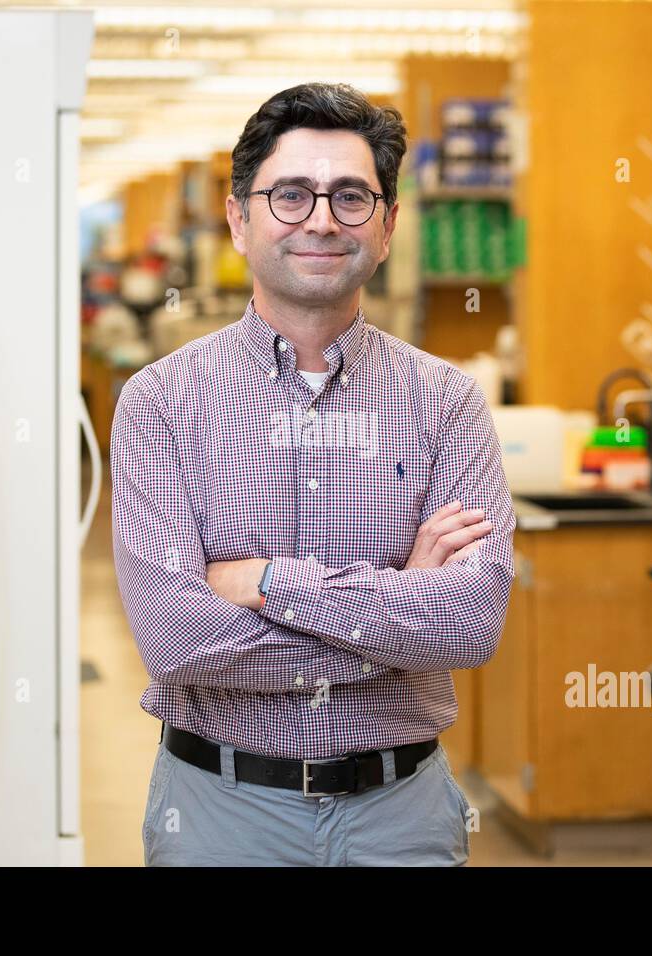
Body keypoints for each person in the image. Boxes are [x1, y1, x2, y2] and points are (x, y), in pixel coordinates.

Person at [110, 82, 516, 866]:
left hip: (404, 818)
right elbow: (175, 640)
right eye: (291, 195)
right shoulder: (160, 402)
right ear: (239, 218)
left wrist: (265, 581)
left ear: (389, 225)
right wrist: (398, 617)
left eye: (352, 197)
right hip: (217, 817)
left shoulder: (448, 402)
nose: (322, 219)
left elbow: (470, 624)